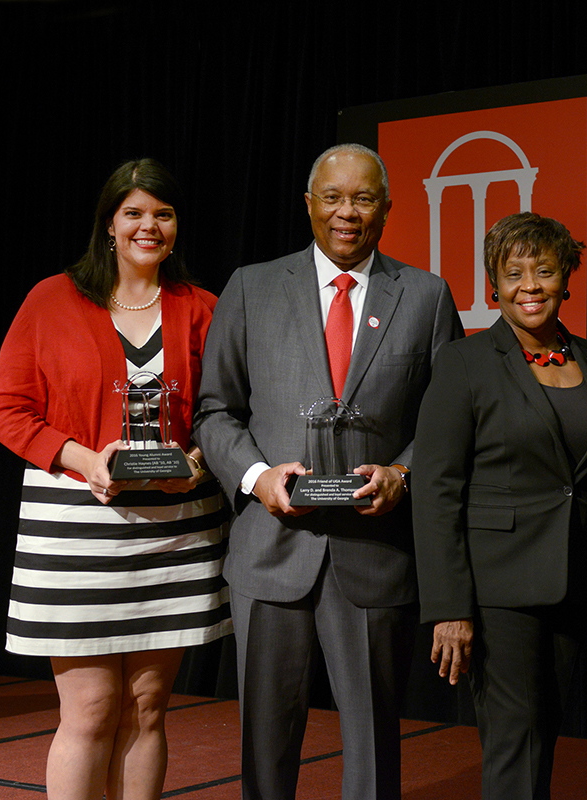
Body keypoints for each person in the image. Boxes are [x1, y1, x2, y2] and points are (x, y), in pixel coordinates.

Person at [193, 143, 463, 800]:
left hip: (375, 558)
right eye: (334, 197)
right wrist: (258, 477)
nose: (348, 213)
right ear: (309, 204)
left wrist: (404, 472)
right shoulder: (251, 287)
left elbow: (450, 422)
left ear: (388, 209)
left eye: (364, 198)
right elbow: (214, 411)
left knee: (373, 745)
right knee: (266, 742)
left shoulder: (426, 296)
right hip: (270, 553)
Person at [0, 159, 231, 800]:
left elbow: (224, 412)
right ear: (110, 222)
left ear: (177, 226)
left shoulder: (203, 307)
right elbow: (5, 410)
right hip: (75, 528)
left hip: (177, 529)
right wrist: (82, 458)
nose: (149, 226)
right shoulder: (52, 298)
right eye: (135, 213)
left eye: (164, 213)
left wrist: (200, 461)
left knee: (149, 707)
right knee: (90, 710)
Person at [413, 212, 587, 800]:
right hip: (495, 591)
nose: (529, 285)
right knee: (515, 739)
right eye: (513, 274)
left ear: (567, 279)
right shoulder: (464, 363)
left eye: (543, 270)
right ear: (494, 285)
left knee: (546, 733)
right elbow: (435, 491)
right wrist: (448, 607)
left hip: (575, 583)